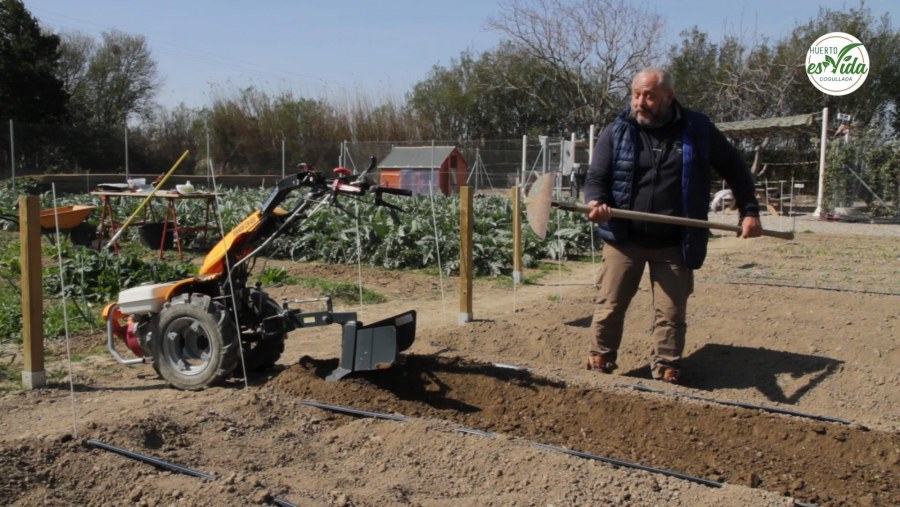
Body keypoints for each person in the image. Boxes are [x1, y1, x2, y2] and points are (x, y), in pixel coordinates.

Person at [583, 66, 762, 384]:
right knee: (610, 303)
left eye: (649, 96)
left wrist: (749, 211)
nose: (640, 102)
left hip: (675, 241)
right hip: (624, 237)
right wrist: (596, 202)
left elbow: (734, 167)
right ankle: (601, 356)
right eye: (636, 94)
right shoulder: (619, 129)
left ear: (668, 97)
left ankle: (666, 366)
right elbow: (597, 176)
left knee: (670, 312)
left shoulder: (697, 129)